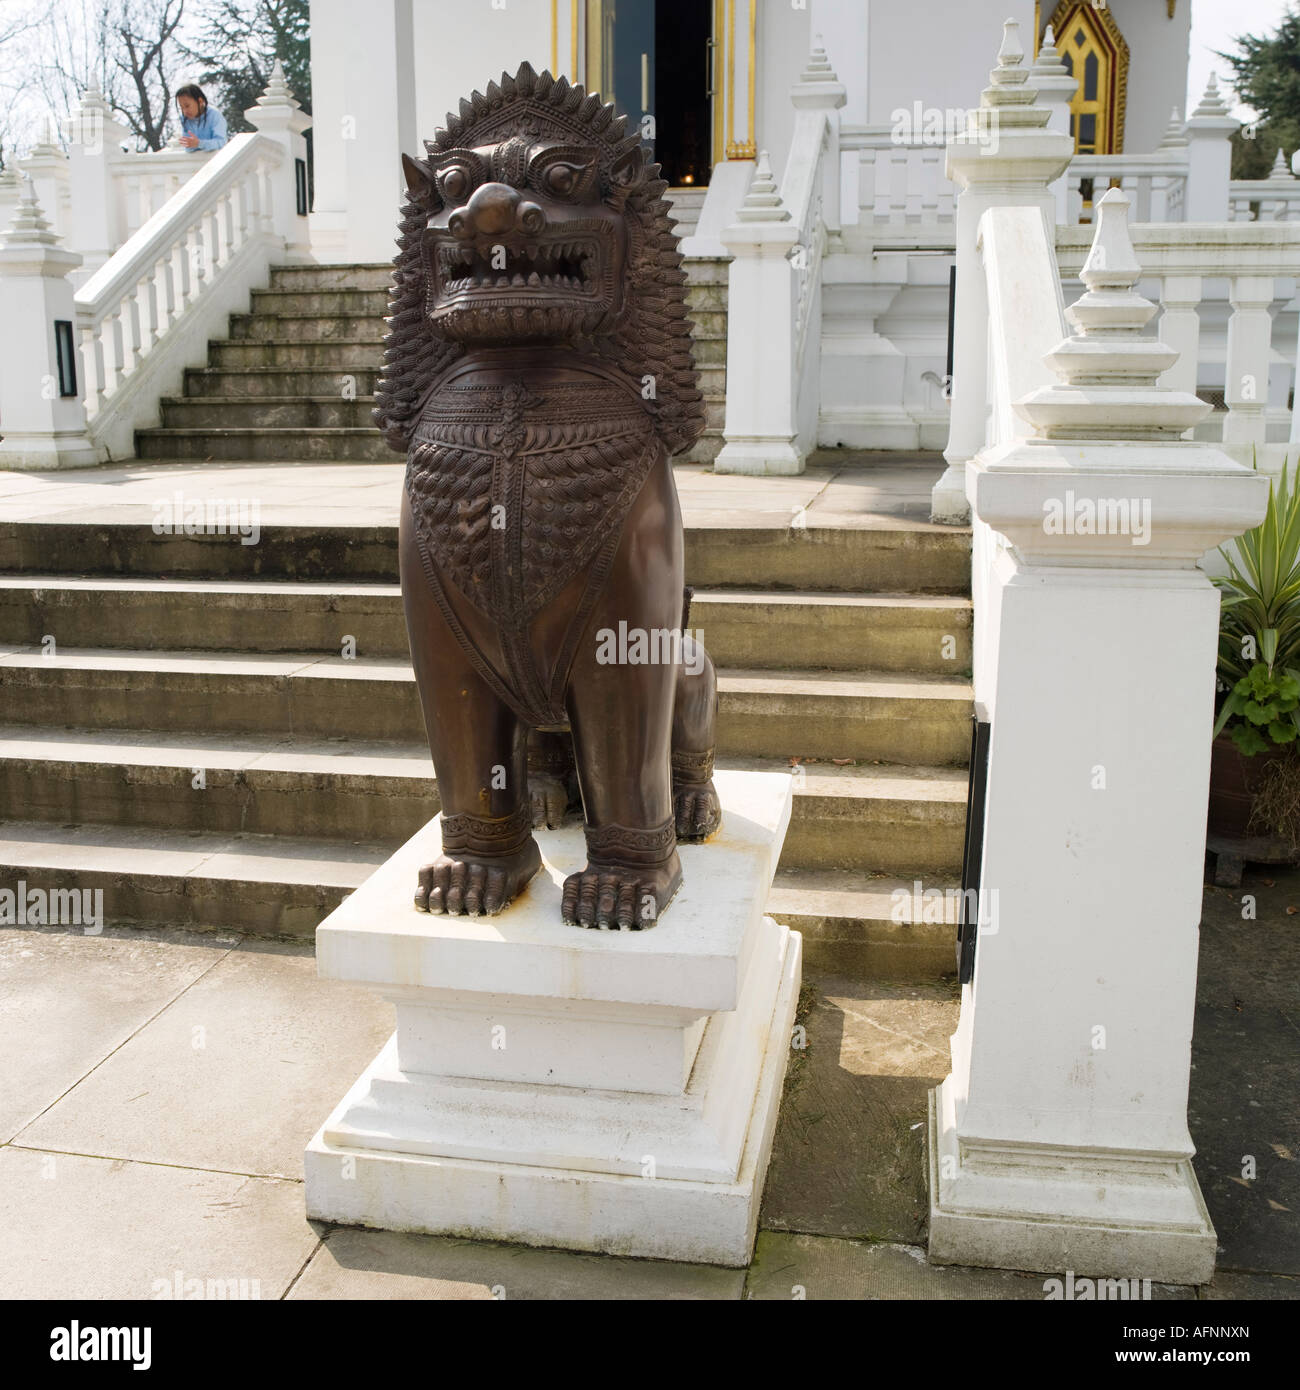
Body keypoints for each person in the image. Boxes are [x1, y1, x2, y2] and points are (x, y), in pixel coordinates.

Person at [176, 84, 228, 151]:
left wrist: (200, 144)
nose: (185, 111)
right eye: (181, 107)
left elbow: (221, 143)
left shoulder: (215, 116)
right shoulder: (185, 119)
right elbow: (188, 146)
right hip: (196, 160)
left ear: (200, 101)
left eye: (187, 106)